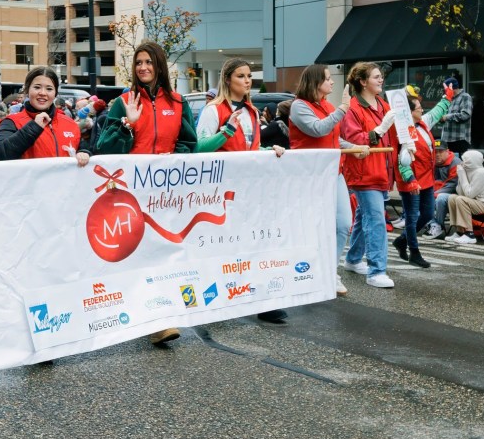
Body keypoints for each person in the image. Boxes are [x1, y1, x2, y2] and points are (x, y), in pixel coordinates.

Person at [96, 40, 196, 345]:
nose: (143, 68)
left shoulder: (179, 103)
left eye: (148, 62)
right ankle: (149, 319)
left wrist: (175, 158)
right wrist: (128, 122)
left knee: (163, 253)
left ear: (159, 65)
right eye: (138, 63)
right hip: (130, 190)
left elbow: (190, 144)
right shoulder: (122, 101)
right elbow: (105, 147)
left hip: (167, 192)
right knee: (137, 255)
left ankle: (158, 318)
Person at [197, 58, 288, 322]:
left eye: (249, 76)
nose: (247, 81)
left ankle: (263, 302)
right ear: (227, 79)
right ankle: (212, 299)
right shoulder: (213, 110)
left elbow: (248, 149)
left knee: (256, 244)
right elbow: (199, 149)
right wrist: (226, 131)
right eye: (241, 76)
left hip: (250, 189)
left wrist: (268, 150)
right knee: (222, 248)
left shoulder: (251, 111)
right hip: (221, 192)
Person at [289, 64, 360, 298]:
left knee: (342, 223)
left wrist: (355, 148)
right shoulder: (299, 106)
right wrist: (342, 109)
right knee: (311, 227)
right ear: (315, 81)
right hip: (310, 176)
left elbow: (334, 139)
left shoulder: (328, 106)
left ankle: (330, 270)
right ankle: (305, 272)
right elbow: (317, 130)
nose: (331, 82)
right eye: (328, 79)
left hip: (334, 172)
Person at [339, 62, 398, 289]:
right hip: (364, 173)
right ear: (363, 82)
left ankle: (353, 260)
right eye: (376, 77)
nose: (381, 79)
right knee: (376, 220)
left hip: (381, 170)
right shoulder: (353, 109)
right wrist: (380, 130)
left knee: (365, 216)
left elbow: (391, 135)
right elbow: (354, 141)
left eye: (380, 76)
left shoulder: (382, 104)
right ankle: (376, 271)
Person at [391, 86, 453, 268]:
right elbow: (402, 160)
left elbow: (436, 112)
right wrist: (410, 180)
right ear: (410, 112)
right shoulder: (404, 130)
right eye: (418, 107)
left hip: (426, 178)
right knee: (412, 216)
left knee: (426, 214)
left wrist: (447, 98)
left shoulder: (423, 123)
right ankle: (414, 252)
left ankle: (402, 241)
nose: (422, 109)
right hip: (412, 180)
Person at [0, 67, 90, 165]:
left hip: (64, 180)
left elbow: (82, 147)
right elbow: (0, 154)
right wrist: (34, 127)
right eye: (37, 87)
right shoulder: (11, 122)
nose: (43, 93)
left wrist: (84, 152)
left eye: (49, 89)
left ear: (55, 93)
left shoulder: (69, 123)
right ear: (27, 90)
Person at [444, 150, 484, 245]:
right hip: (478, 202)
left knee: (461, 200)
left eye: (465, 160)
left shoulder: (481, 172)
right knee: (452, 198)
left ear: (472, 161)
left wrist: (462, 175)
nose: (462, 163)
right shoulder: (468, 171)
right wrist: (461, 176)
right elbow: (461, 192)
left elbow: (469, 195)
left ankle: (469, 234)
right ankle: (460, 231)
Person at [423, 141, 460, 238]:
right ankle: (430, 223)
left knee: (439, 198)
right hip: (436, 192)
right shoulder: (432, 162)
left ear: (447, 151)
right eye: (436, 152)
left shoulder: (455, 162)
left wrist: (433, 194)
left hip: (455, 194)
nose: (438, 154)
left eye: (441, 151)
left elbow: (452, 185)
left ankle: (438, 226)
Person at [439, 75, 473, 155]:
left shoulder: (465, 97)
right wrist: (440, 118)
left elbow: (465, 115)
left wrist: (446, 117)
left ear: (452, 88)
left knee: (459, 164)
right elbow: (443, 116)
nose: (445, 91)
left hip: (459, 139)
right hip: (446, 139)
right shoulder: (446, 98)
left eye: (446, 89)